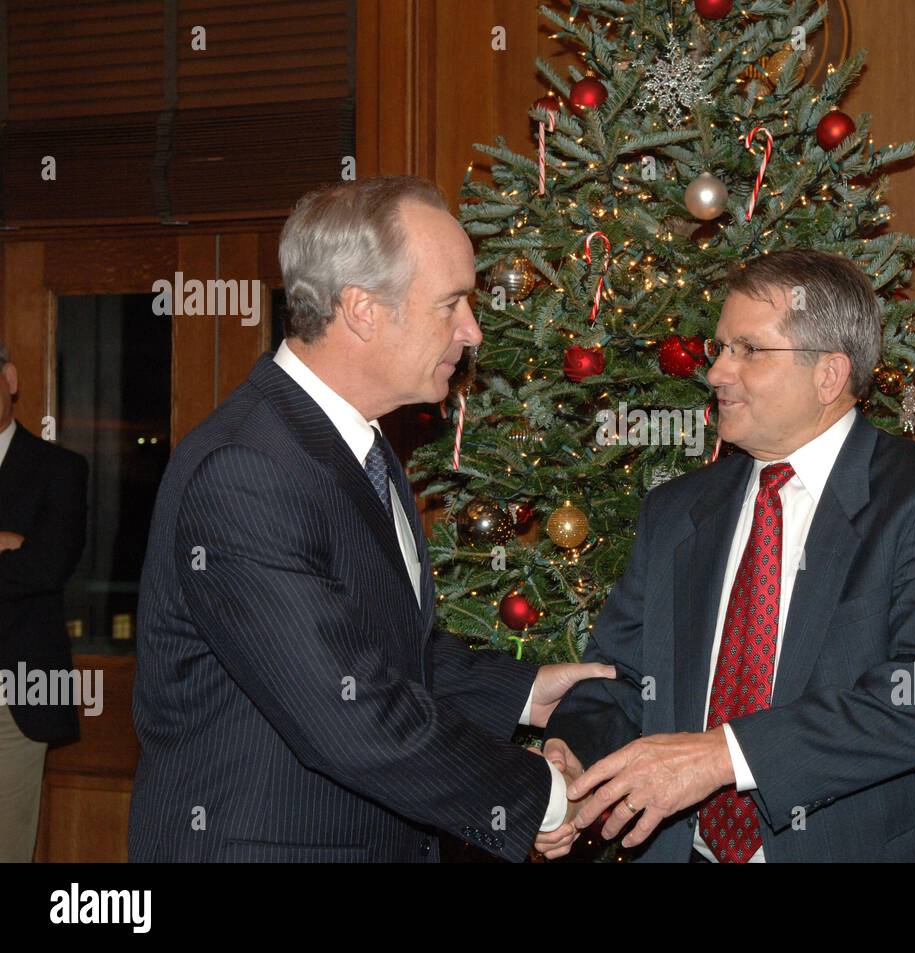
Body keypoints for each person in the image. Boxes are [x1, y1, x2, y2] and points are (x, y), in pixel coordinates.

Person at [128, 176, 608, 862]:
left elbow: (374, 644)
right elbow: (346, 712)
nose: (472, 329)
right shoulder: (248, 470)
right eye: (450, 304)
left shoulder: (358, 443)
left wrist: (525, 692)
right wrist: (541, 795)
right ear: (362, 310)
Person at [544, 249, 915, 862]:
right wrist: (571, 756)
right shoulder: (677, 511)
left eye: (748, 350)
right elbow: (624, 677)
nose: (715, 373)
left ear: (829, 374)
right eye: (719, 348)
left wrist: (723, 755)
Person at [0, 339, 89, 861]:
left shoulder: (59, 469)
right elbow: (23, 563)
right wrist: (9, 543)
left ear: (9, 378)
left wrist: (24, 553)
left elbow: (46, 566)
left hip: (15, 697)